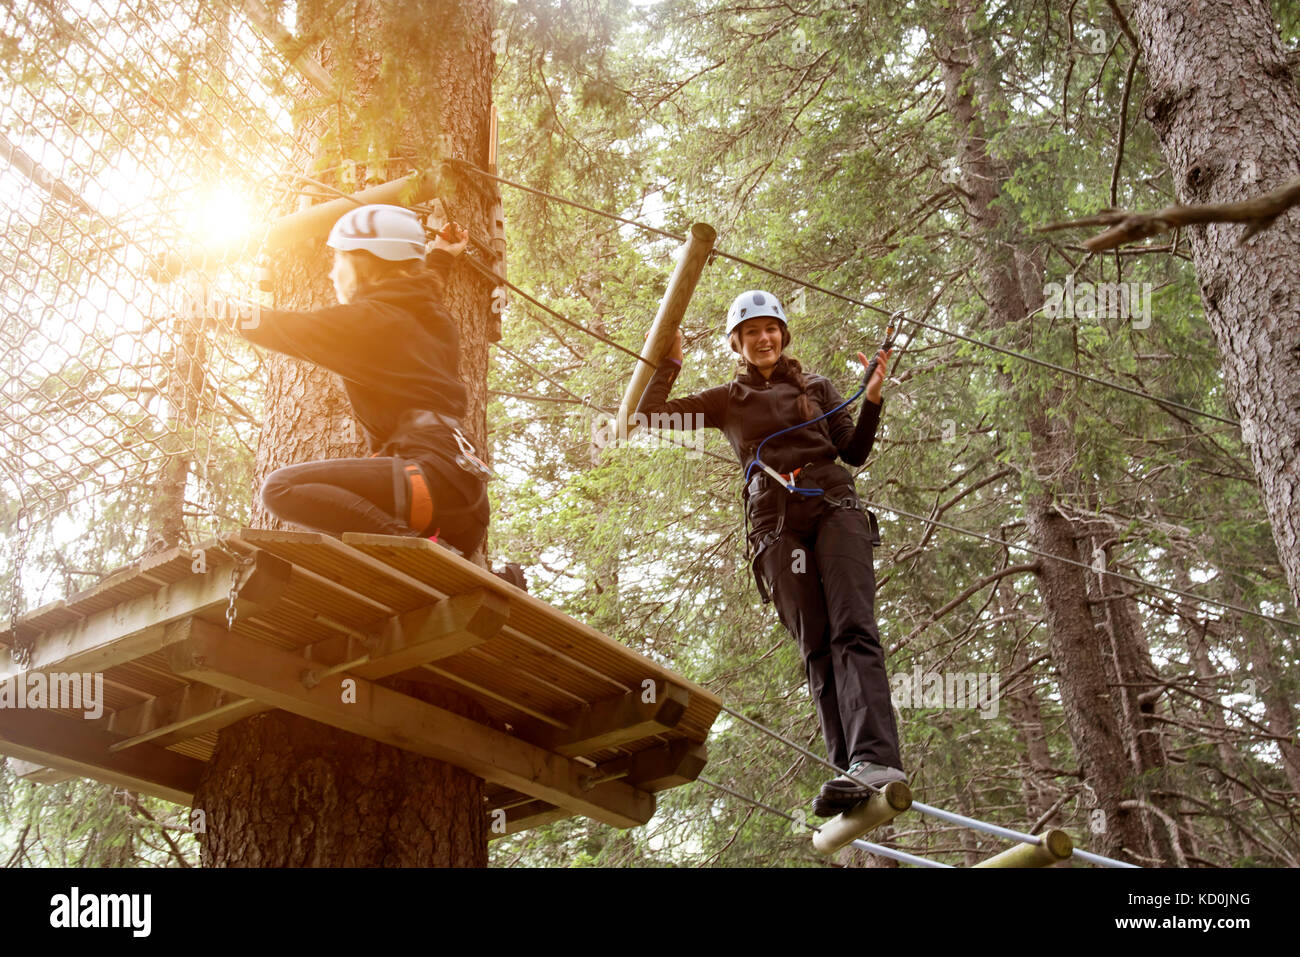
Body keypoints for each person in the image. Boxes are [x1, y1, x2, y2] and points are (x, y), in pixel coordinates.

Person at [635, 289, 904, 816]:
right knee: (817, 647)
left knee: (852, 627)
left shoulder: (820, 388)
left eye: (771, 329)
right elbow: (650, 416)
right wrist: (669, 363)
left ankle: (877, 757)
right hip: (774, 524)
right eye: (752, 331)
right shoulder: (725, 400)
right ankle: (849, 768)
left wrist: (871, 397)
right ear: (737, 343)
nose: (764, 338)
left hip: (832, 504)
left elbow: (855, 452)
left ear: (783, 336)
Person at [235, 203, 501, 568]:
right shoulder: (429, 314)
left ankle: (415, 555)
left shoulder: (367, 322)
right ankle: (436, 552)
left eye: (338, 261)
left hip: (426, 483)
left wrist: (210, 308)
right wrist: (440, 256)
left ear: (364, 263)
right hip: (467, 504)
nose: (332, 274)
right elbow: (428, 287)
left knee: (280, 489)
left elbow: (279, 326)